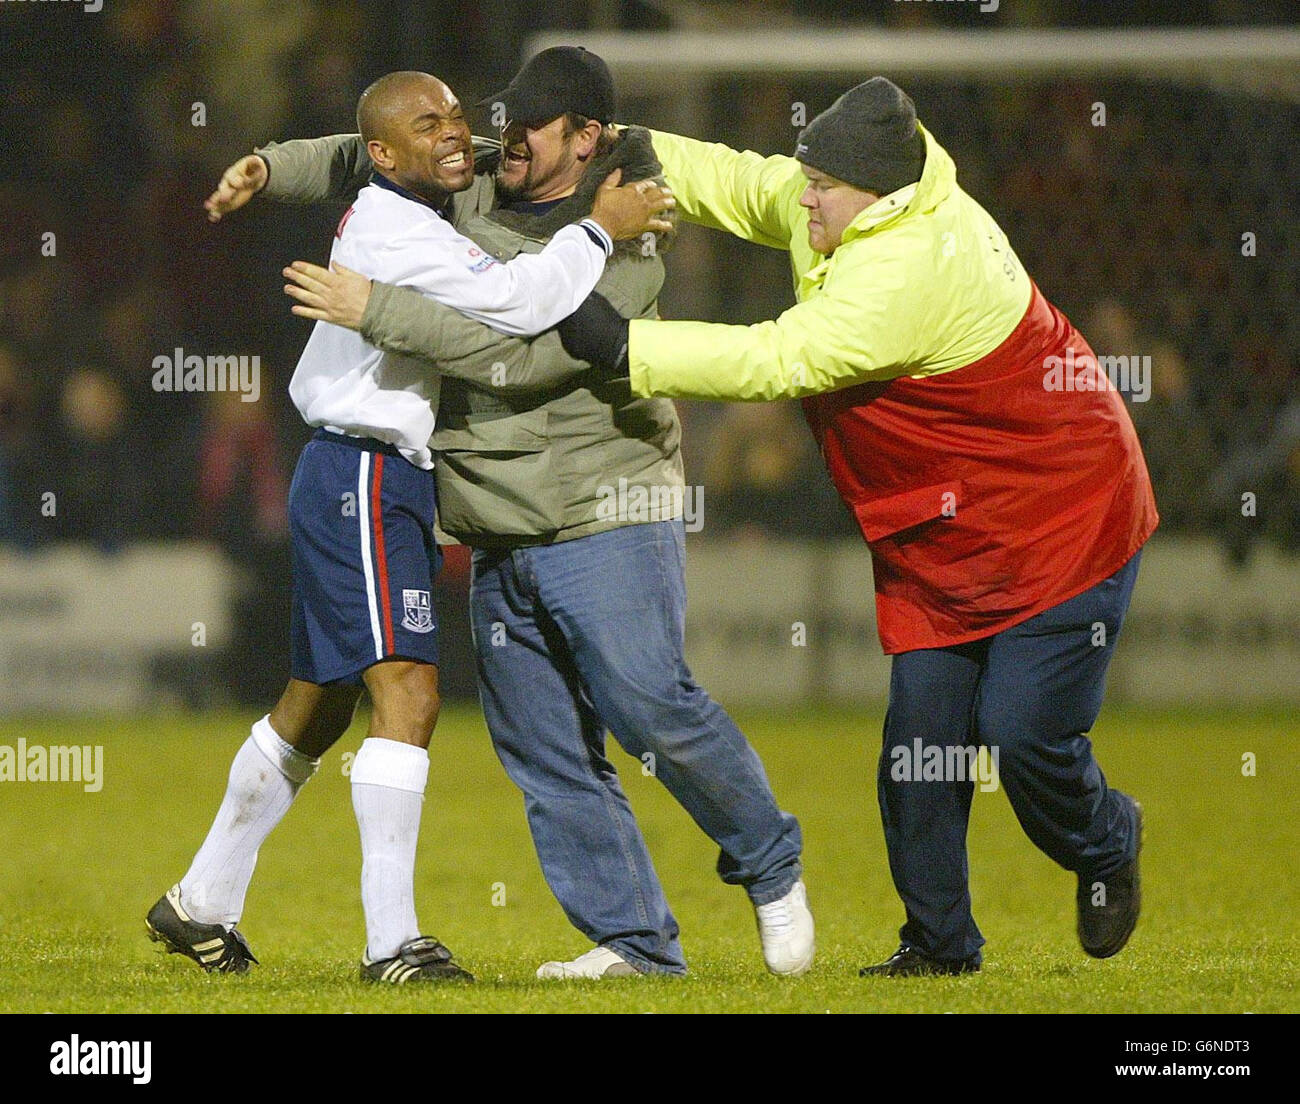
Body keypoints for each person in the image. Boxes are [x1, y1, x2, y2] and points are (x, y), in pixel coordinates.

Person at [212, 46, 812, 979]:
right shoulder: (476, 177)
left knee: (651, 703)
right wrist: (267, 163)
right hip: (495, 518)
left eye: (530, 126)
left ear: (588, 138)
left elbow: (526, 351)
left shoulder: (636, 220)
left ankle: (770, 867)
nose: (501, 140)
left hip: (604, 505)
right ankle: (634, 942)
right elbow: (370, 154)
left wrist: (379, 308)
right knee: (544, 751)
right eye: (499, 119)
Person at [552, 76, 1159, 975]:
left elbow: (782, 356)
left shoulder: (913, 265)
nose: (802, 198)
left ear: (874, 194)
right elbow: (735, 181)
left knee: (1023, 737)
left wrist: (626, 345)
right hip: (949, 530)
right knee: (921, 745)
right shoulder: (855, 202)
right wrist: (618, 143)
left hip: (1063, 516)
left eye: (820, 187)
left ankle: (1107, 841)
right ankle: (940, 947)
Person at [146, 69, 671, 985]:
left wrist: (270, 167)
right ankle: (392, 944)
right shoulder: (398, 230)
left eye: (459, 117)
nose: (456, 135)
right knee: (411, 697)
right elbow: (517, 302)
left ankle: (199, 904)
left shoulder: (409, 203)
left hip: (360, 474)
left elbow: (360, 157)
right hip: (362, 473)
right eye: (429, 125)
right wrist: (600, 229)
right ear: (387, 154)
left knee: (318, 701)